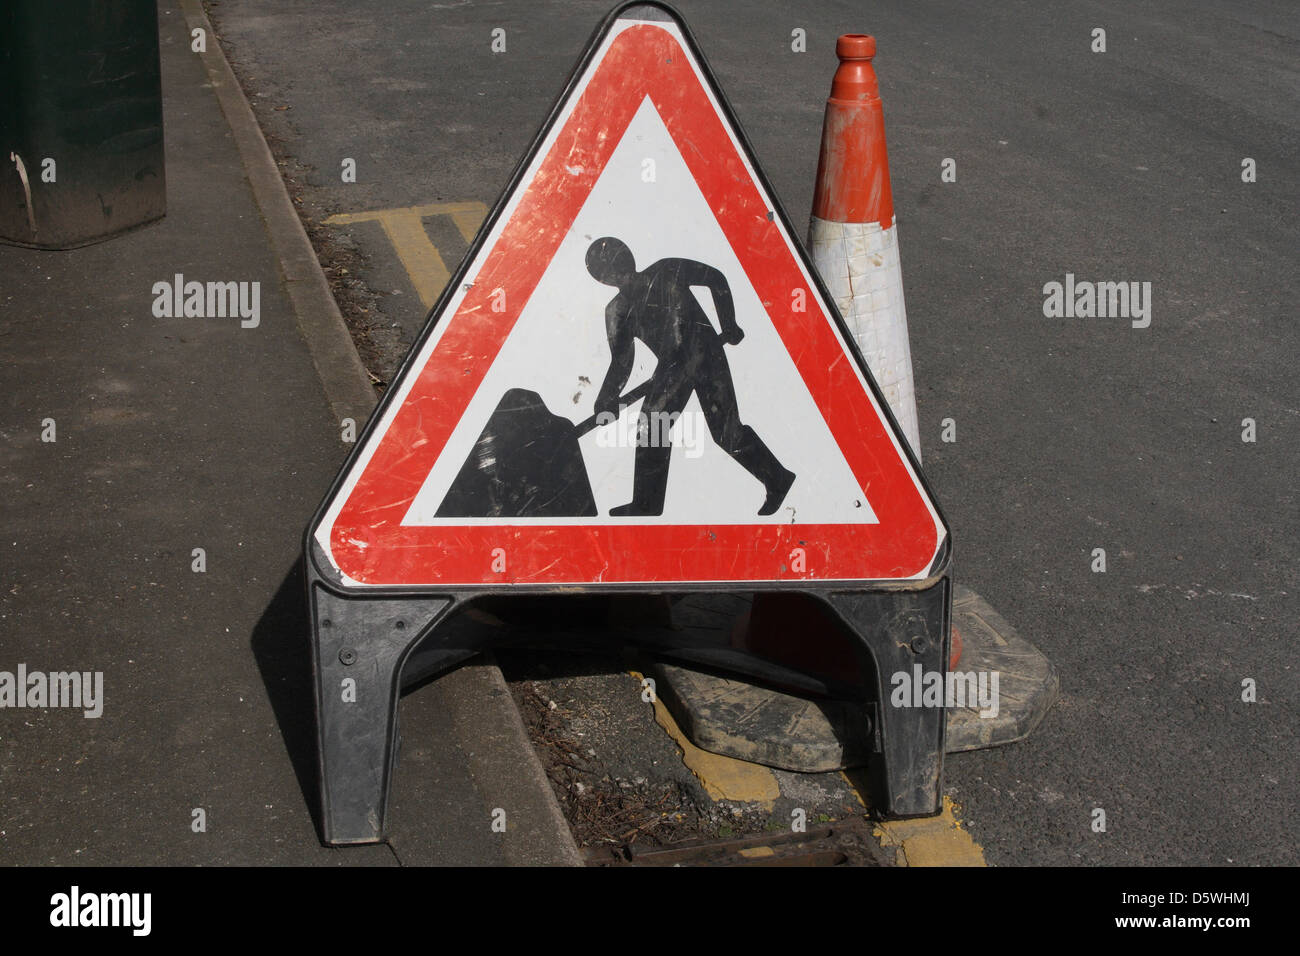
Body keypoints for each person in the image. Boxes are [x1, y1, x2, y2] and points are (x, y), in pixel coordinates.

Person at [587, 236, 795, 516]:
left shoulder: (666, 270)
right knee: (652, 429)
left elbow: (714, 278)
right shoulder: (617, 310)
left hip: (705, 353)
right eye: (609, 269)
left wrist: (728, 322)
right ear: (603, 278)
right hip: (672, 368)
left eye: (617, 263)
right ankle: (647, 502)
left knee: (725, 432)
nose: (617, 273)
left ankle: (777, 479)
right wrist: (606, 398)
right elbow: (622, 360)